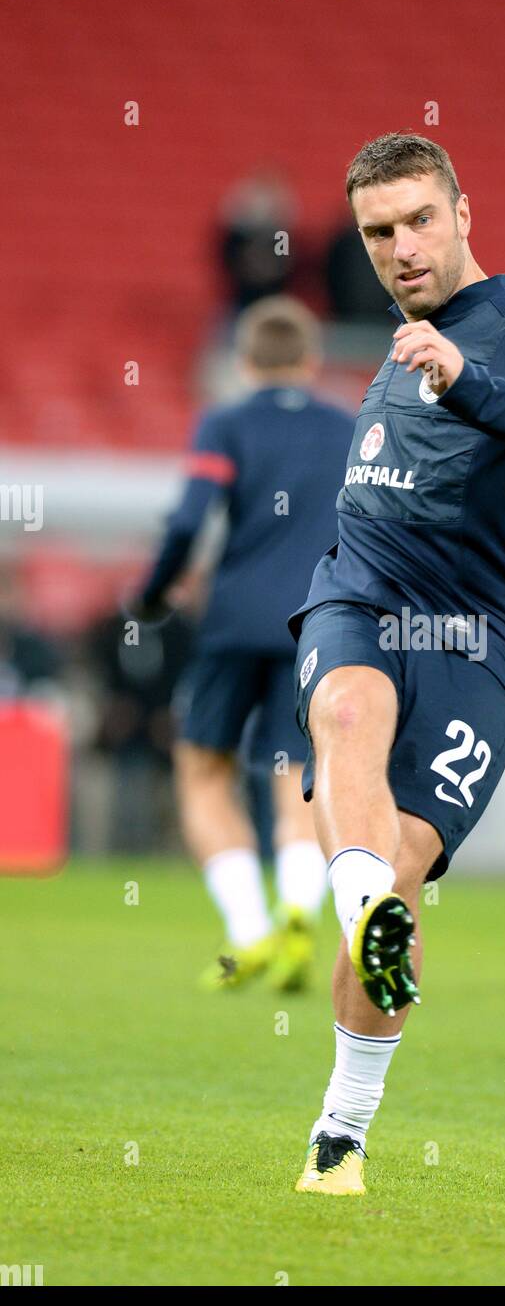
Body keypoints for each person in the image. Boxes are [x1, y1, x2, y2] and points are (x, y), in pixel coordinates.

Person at [288, 132, 505, 1195]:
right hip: (363, 603)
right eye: (379, 232)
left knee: (407, 863)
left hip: (482, 642)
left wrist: (468, 379)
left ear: (463, 212)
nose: (402, 247)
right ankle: (360, 911)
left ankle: (343, 1124)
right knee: (344, 710)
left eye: (419, 219)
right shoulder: (395, 342)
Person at [130, 296, 353, 991]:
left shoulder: (225, 422)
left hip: (233, 622)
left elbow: (188, 518)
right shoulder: (346, 428)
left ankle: (249, 933)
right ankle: (297, 912)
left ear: (245, 362)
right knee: (297, 775)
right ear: (312, 361)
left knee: (203, 770)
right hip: (318, 619)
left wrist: (150, 592)